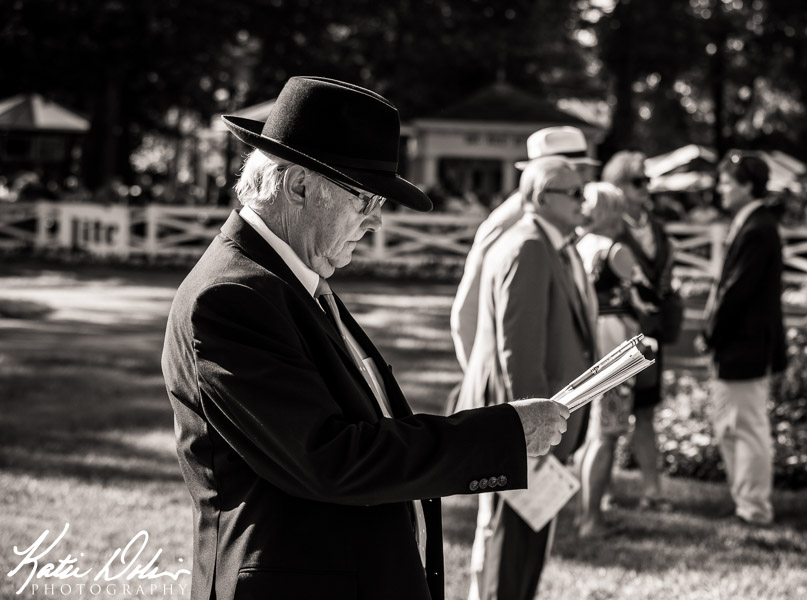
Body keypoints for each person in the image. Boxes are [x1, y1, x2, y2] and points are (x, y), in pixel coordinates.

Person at [160, 76, 571, 600]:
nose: (376, 221)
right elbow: (332, 459)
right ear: (299, 186)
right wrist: (501, 434)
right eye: (364, 199)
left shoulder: (290, 279)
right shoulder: (231, 296)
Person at [457, 156, 597, 600]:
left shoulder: (541, 242)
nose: (583, 200)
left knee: (522, 550)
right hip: (528, 432)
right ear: (542, 197)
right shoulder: (530, 246)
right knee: (513, 554)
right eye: (573, 193)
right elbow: (518, 351)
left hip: (530, 430)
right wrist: (533, 435)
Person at [450, 126, 601, 371]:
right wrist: (485, 378)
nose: (584, 180)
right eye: (575, 170)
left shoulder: (559, 217)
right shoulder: (511, 222)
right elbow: (469, 311)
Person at [697, 151, 787, 526]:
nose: (720, 188)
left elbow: (737, 291)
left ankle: (754, 508)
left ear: (748, 186)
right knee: (731, 427)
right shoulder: (752, 224)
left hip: (746, 345)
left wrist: (710, 333)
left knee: (746, 429)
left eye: (727, 181)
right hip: (740, 344)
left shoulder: (758, 228)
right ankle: (744, 502)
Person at [601, 151, 681, 512]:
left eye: (647, 180)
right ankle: (601, 493)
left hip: (652, 332)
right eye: (638, 181)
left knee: (646, 411)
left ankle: (653, 492)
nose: (646, 187)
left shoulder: (656, 226)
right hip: (617, 334)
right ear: (616, 185)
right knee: (610, 416)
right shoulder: (608, 228)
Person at [573, 182, 637, 537]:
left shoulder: (576, 247)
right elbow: (643, 296)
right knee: (606, 435)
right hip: (614, 347)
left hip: (585, 342)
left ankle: (583, 512)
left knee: (590, 433)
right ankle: (592, 519)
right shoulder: (615, 251)